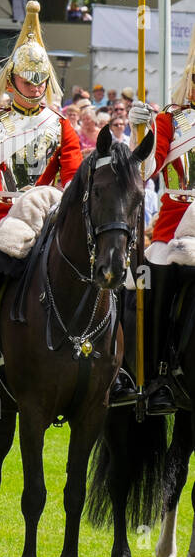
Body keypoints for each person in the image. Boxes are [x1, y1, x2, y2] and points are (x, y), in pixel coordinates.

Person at [0, 0, 82, 411]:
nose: (35, 89)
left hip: (45, 218)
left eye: (41, 82)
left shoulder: (61, 125)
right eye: (27, 82)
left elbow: (73, 177)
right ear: (11, 81)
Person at [125, 34, 195, 415]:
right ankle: (157, 376)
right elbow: (147, 169)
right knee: (156, 285)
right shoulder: (170, 119)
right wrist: (144, 135)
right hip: (176, 227)